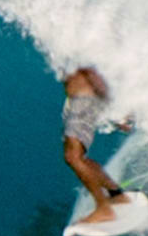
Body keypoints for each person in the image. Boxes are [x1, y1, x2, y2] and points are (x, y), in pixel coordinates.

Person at [59, 62, 138, 223]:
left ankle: (104, 208)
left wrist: (118, 114)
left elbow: (96, 75)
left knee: (73, 157)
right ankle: (116, 194)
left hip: (83, 101)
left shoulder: (85, 40)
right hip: (77, 101)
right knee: (77, 157)